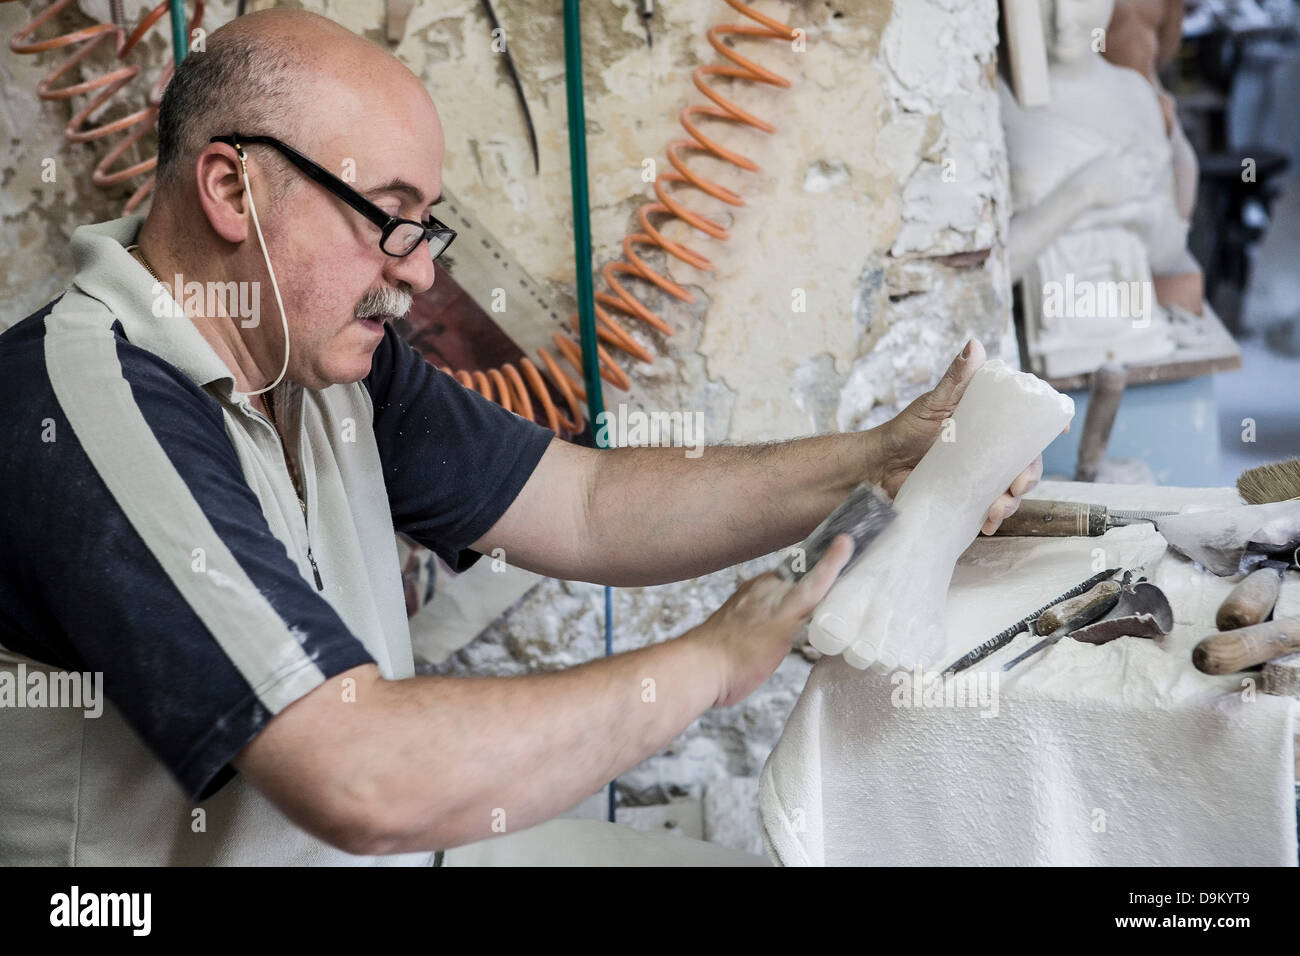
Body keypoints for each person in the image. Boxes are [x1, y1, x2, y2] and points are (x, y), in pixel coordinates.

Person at [0, 9, 1039, 865]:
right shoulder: (92, 399)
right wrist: (708, 661)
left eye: (426, 225)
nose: (416, 271)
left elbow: (584, 505)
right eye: (388, 215)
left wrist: (878, 459)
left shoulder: (320, 360)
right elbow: (356, 776)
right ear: (231, 187)